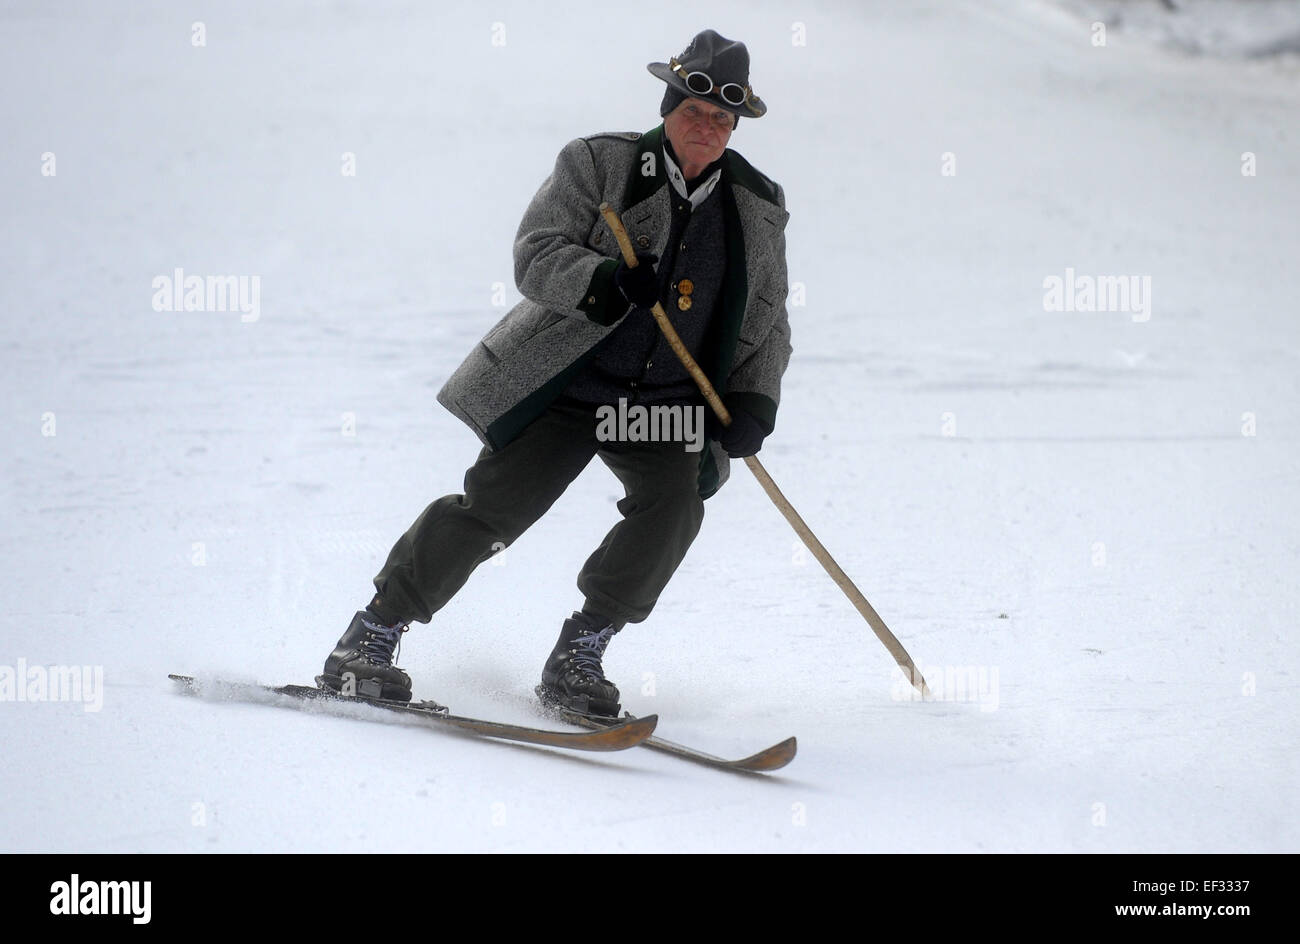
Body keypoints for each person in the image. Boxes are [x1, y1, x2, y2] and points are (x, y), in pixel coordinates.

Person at [320, 28, 792, 717]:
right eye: (693, 110)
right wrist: (602, 281)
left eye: (722, 119)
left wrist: (754, 396)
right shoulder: (600, 164)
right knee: (494, 509)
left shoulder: (754, 202)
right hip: (570, 386)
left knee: (674, 508)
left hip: (665, 401)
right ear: (668, 107)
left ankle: (582, 653)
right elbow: (536, 253)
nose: (707, 128)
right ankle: (370, 636)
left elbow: (769, 314)